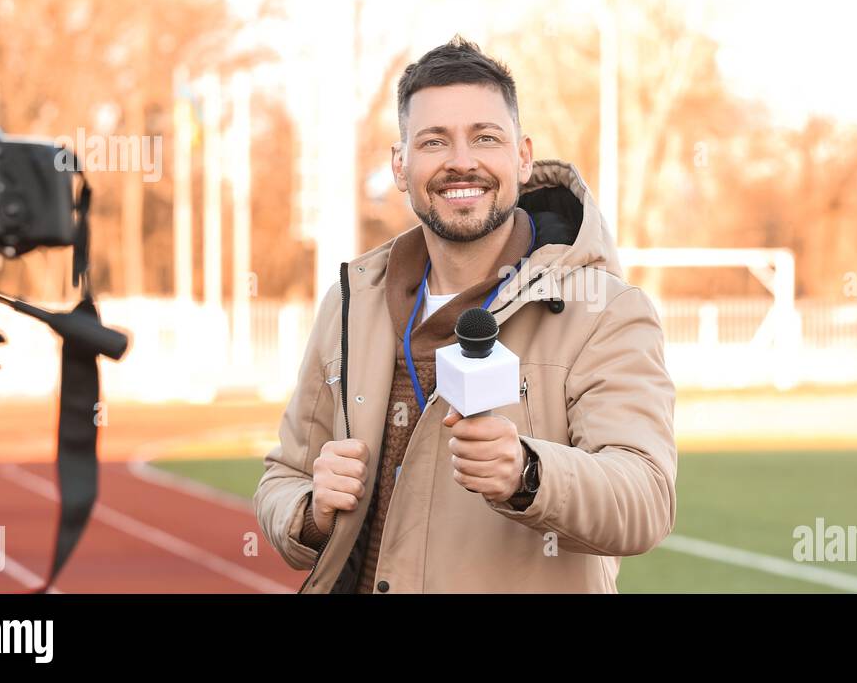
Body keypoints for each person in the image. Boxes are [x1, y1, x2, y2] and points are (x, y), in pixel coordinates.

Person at [254, 35, 676, 593]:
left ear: (522, 157)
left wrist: (530, 473)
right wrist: (311, 509)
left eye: (484, 137)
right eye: (434, 141)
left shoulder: (605, 309)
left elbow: (646, 499)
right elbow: (283, 477)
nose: (461, 162)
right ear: (400, 166)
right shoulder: (351, 301)